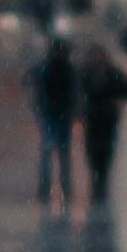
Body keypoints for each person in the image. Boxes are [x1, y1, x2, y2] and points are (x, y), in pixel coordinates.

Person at [78, 31, 127, 208]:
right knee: (92, 150)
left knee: (106, 150)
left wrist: (117, 100)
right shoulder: (85, 73)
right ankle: (96, 178)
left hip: (108, 119)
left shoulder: (112, 73)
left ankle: (102, 178)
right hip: (93, 118)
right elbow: (78, 93)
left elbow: (126, 89)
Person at [30, 24, 79, 207]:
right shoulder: (55, 68)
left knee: (53, 152)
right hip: (54, 114)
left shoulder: (58, 68)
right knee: (55, 153)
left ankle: (53, 186)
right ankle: (56, 186)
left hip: (57, 114)